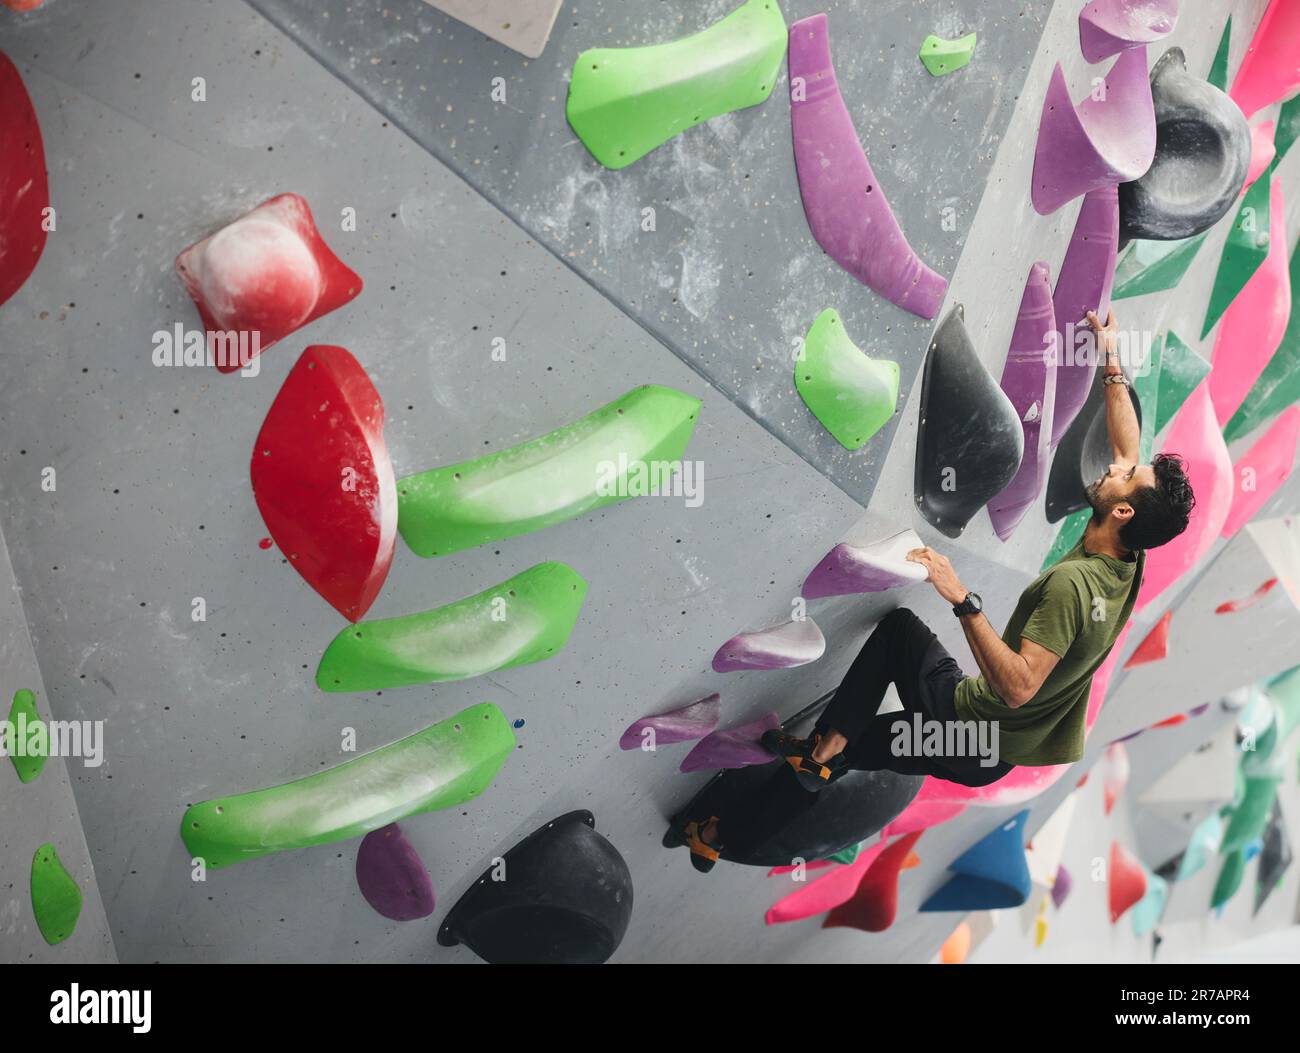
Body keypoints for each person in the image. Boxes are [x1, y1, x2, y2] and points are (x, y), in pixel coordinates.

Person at [679, 309, 1196, 871]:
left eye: (1125, 476)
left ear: (1121, 510)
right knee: (840, 753)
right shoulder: (1131, 551)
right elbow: (1126, 445)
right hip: (988, 758)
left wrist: (962, 599)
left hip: (966, 721)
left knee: (899, 632)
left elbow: (1020, 686)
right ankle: (726, 836)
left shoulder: (1075, 586)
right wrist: (1111, 358)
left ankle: (820, 752)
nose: (1116, 465)